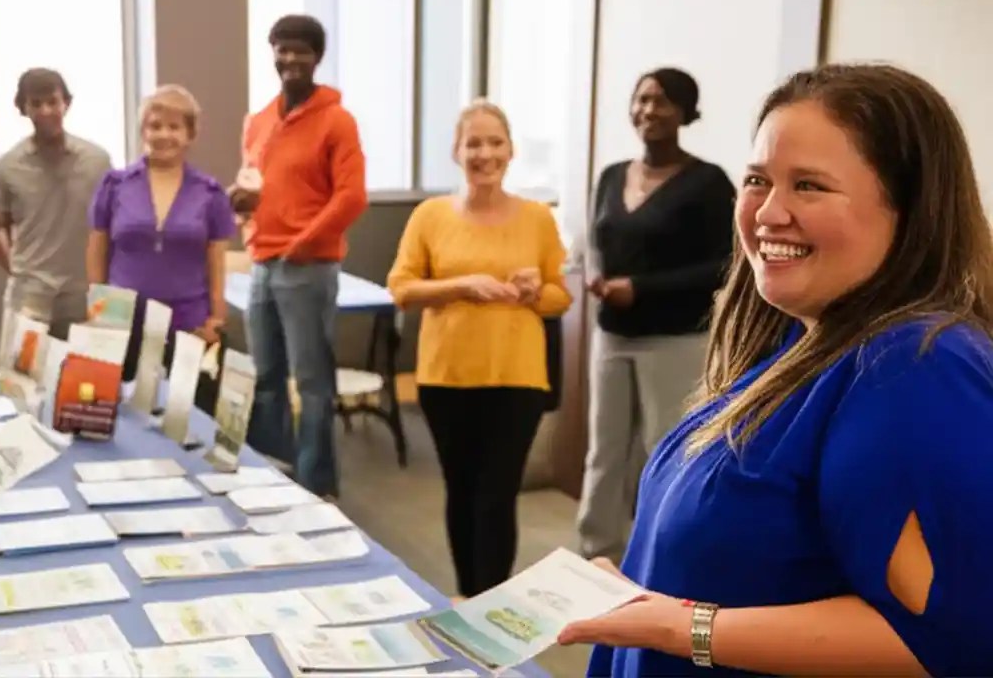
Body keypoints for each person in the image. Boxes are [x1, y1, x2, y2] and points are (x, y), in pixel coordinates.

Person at [559, 64, 993, 676]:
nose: (767, 213)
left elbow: (942, 638)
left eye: (809, 186)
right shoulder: (799, 339)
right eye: (758, 180)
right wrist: (632, 590)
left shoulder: (915, 368)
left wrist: (683, 629)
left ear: (909, 209)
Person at [387, 100, 572, 598]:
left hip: (517, 378)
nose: (484, 153)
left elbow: (560, 297)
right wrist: (461, 285)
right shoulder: (430, 216)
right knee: (461, 490)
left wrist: (535, 289)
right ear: (456, 151)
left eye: (495, 142)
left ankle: (491, 602)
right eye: (474, 143)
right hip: (446, 376)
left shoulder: (536, 218)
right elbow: (402, 288)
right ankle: (468, 595)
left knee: (497, 493)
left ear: (510, 150)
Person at [575, 68, 735, 562]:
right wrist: (596, 278)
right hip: (612, 336)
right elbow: (596, 242)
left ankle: (661, 556)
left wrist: (640, 288)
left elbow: (725, 265)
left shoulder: (708, 183)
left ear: (686, 112)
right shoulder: (610, 176)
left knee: (664, 454)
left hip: (675, 339)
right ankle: (594, 556)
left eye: (662, 101)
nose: (648, 110)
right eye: (641, 99)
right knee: (603, 454)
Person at [231, 14, 368, 498]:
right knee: (265, 376)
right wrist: (241, 211)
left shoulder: (337, 120)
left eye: (301, 51)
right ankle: (275, 473)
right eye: (282, 49)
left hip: (309, 267)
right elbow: (254, 187)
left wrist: (303, 242)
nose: (290, 59)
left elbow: (351, 197)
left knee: (311, 383)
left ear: (317, 57)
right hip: (262, 266)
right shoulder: (259, 120)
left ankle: (316, 486)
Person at [87, 85, 235, 382]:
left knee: (184, 417)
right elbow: (96, 251)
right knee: (120, 415)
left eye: (174, 127)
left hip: (188, 322)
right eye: (155, 126)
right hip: (121, 320)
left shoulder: (210, 193)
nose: (163, 135)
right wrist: (95, 310)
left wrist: (216, 318)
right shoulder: (114, 185)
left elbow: (217, 261)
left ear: (190, 135)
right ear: (143, 131)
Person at [0, 68, 112, 338]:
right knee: (22, 379)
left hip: (84, 293)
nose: (45, 111)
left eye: (52, 102)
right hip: (30, 296)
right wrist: (16, 269)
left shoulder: (98, 162)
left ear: (66, 103)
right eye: (36, 104)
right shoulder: (7, 167)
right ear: (23, 108)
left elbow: (113, 222)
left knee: (83, 378)